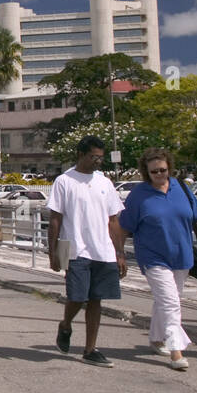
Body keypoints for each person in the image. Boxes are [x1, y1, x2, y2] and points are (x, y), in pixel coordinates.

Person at [115, 148, 197, 371]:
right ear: (146, 172)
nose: (160, 175)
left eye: (163, 170)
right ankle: (176, 351)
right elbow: (123, 228)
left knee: (169, 299)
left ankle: (157, 339)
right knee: (170, 302)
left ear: (170, 168)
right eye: (154, 171)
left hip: (182, 255)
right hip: (153, 257)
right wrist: (119, 254)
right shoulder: (139, 195)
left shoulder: (182, 188)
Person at [47, 136, 126, 367]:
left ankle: (90, 349)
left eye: (100, 158)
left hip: (102, 250)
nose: (97, 162)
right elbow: (55, 219)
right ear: (80, 154)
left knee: (96, 299)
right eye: (93, 157)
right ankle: (65, 324)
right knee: (77, 296)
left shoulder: (105, 183)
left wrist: (120, 253)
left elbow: (113, 220)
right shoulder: (64, 181)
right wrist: (53, 253)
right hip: (74, 249)